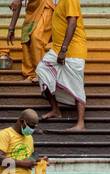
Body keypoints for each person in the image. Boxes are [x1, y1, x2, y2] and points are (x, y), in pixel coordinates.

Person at [36, 0, 86, 131]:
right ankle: (56, 109)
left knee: (76, 85)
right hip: (56, 50)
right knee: (42, 70)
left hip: (72, 51)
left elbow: (72, 22)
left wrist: (64, 49)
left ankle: (80, 124)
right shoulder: (58, 2)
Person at [7, 0, 55, 82]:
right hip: (31, 11)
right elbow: (17, 4)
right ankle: (30, 75)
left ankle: (41, 74)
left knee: (36, 38)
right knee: (26, 39)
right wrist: (11, 28)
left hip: (45, 7)